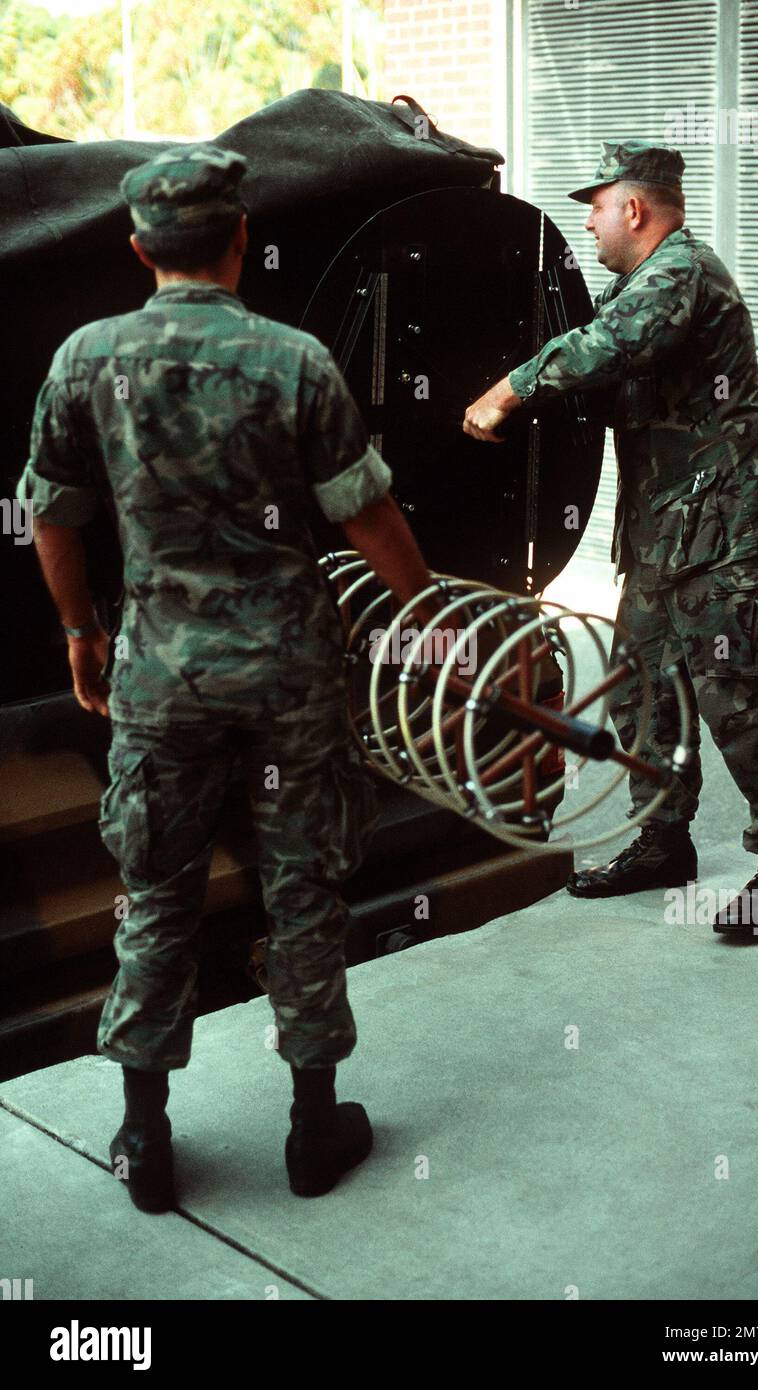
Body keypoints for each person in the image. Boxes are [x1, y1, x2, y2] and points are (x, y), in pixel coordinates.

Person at [17, 143, 435, 1212]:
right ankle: (310, 1128)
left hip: (161, 675)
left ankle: (143, 1136)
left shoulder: (84, 359)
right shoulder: (293, 360)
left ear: (136, 247)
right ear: (241, 238)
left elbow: (52, 519)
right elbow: (366, 513)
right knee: (303, 892)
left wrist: (80, 632)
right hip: (290, 675)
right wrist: (429, 618)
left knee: (154, 895)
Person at [463, 139, 758, 939]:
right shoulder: (639, 281)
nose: (586, 221)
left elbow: (608, 347)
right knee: (640, 683)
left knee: (734, 692)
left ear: (635, 208)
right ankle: (663, 840)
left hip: (730, 529)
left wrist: (508, 390)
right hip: (667, 530)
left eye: (595, 205)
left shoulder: (678, 274)